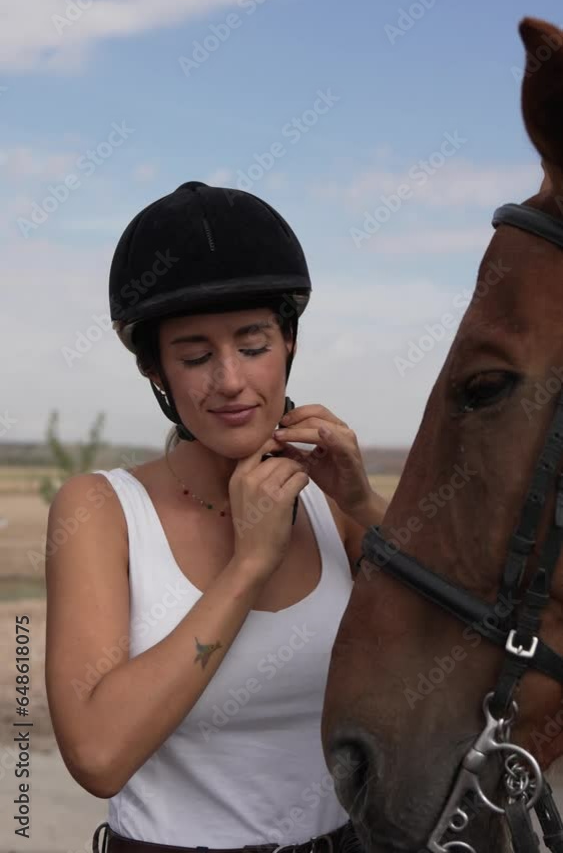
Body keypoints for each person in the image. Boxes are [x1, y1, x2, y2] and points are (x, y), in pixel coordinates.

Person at [44, 181, 387, 853]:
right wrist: (249, 564)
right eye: (195, 356)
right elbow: (98, 755)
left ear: (288, 343)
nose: (229, 380)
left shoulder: (331, 503)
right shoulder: (101, 509)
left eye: (253, 345)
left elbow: (466, 640)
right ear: (156, 374)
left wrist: (361, 502)